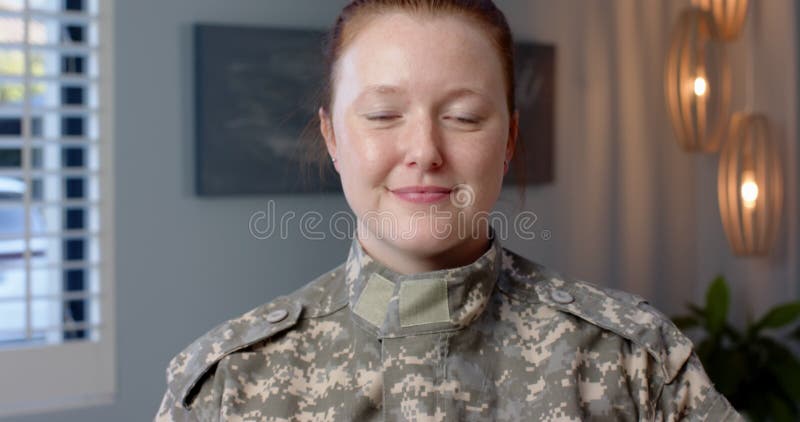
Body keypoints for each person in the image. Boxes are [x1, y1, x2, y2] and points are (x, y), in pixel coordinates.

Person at [156, 1, 743, 420]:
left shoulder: (634, 360)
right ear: (332, 138)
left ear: (509, 141)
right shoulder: (228, 382)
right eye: (384, 115)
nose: (425, 153)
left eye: (462, 117)